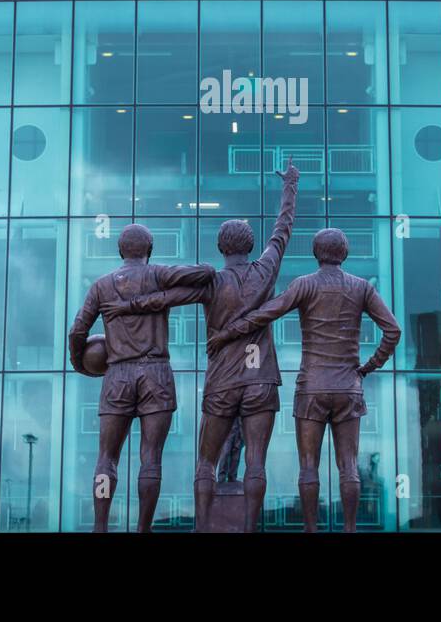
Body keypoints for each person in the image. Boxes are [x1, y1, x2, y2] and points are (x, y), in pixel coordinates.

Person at [104, 160, 299, 532]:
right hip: (261, 379)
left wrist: (126, 305)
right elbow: (283, 228)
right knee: (256, 461)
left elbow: (165, 298)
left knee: (206, 462)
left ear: (220, 247)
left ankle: (203, 526)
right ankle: (250, 525)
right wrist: (290, 185)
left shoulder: (212, 282)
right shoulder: (267, 268)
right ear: (251, 245)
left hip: (223, 380)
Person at [205, 227, 400, 532]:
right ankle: (350, 529)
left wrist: (227, 332)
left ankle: (311, 529)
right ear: (344, 253)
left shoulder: (304, 285)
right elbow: (393, 331)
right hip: (348, 386)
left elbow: (266, 313)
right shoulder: (362, 287)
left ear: (315, 254)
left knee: (309, 466)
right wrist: (368, 367)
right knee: (349, 466)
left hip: (311, 388)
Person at [67, 224, 214, 532]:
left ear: (121, 251)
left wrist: (80, 364)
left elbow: (77, 331)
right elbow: (205, 273)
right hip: (155, 372)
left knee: (106, 458)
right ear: (149, 250)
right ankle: (143, 528)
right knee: (151, 458)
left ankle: (100, 527)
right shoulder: (158, 274)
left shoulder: (101, 286)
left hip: (117, 373)